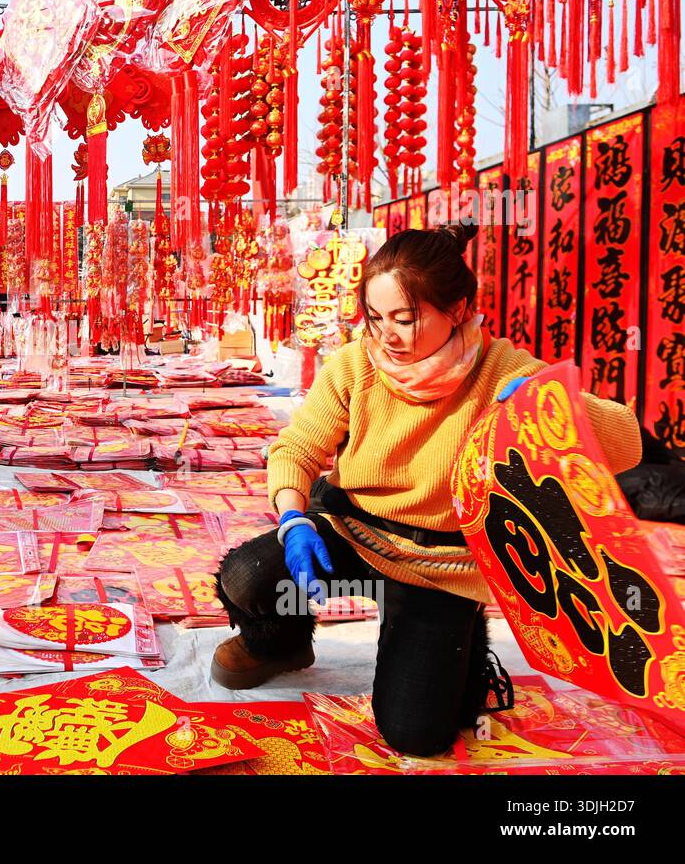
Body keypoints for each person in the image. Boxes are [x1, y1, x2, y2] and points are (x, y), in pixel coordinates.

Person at [211, 224, 643, 757]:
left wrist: (549, 401)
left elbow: (626, 442)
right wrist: (294, 517)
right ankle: (280, 643)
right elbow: (297, 448)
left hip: (442, 563)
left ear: (457, 309)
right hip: (354, 530)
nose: (386, 336)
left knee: (419, 734)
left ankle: (464, 647)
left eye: (405, 318)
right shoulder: (355, 365)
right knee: (250, 574)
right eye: (375, 318)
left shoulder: (501, 369)